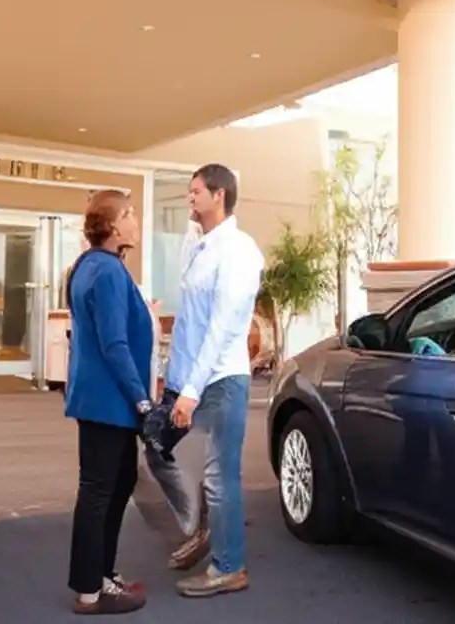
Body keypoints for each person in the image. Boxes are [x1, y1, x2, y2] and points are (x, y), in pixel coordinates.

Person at [160, 163, 264, 598]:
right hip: (187, 376)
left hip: (219, 378)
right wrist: (176, 381)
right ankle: (202, 530)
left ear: (219, 195)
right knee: (157, 449)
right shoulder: (202, 245)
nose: (190, 198)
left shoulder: (238, 250)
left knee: (222, 476)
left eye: (196, 191)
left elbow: (222, 327)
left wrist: (190, 390)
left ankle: (229, 566)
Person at [64, 190, 156, 615]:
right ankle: (89, 590)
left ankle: (101, 577)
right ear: (114, 225)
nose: (136, 220)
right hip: (110, 403)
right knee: (101, 491)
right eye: (131, 214)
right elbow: (115, 345)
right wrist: (142, 402)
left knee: (115, 486)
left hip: (99, 401)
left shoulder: (88, 267)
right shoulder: (108, 273)